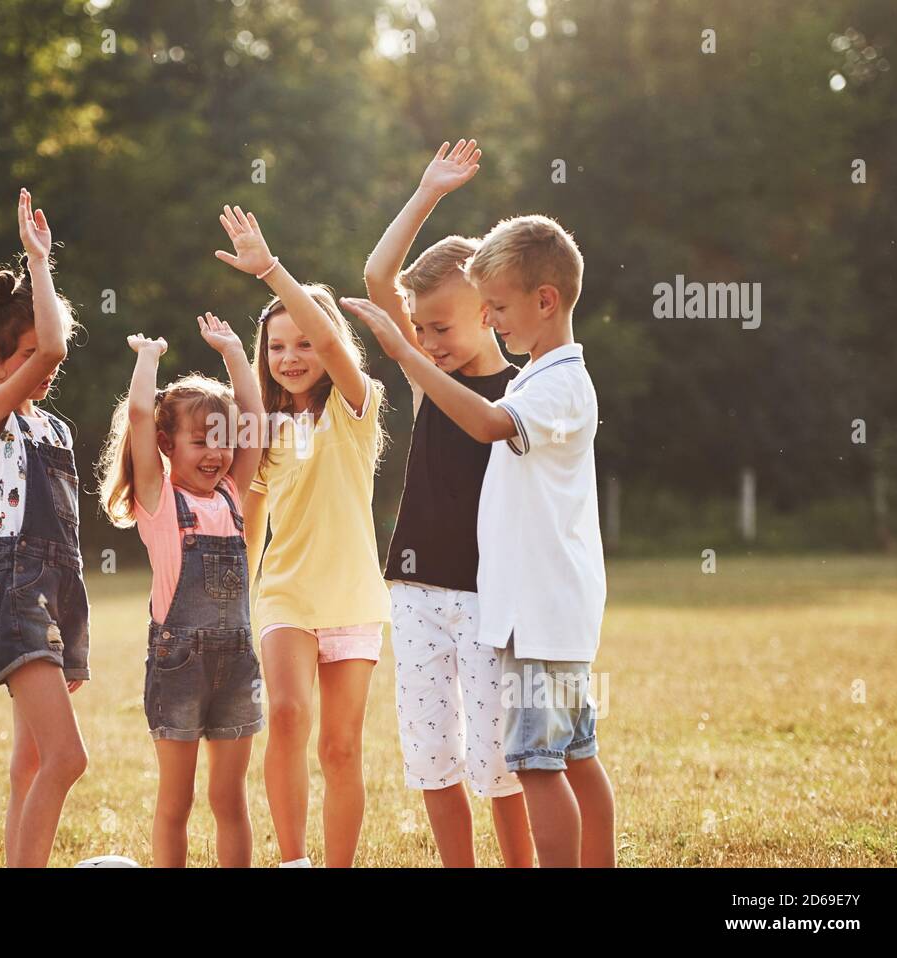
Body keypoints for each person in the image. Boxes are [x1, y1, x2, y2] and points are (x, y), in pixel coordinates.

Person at [342, 211, 616, 867]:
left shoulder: (551, 386)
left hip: (535, 614)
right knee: (573, 757)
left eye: (498, 307)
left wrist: (407, 353)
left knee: (537, 767)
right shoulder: (541, 377)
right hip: (534, 611)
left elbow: (492, 425)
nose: (493, 320)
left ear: (544, 301)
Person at [363, 139, 533, 867]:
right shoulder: (424, 374)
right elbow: (377, 275)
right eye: (418, 329)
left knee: (500, 763)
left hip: (490, 596)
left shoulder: (525, 389)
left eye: (441, 328)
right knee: (433, 757)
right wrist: (428, 191)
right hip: (415, 590)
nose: (427, 344)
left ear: (490, 315)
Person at [215, 205, 391, 867]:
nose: (290, 356)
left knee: (340, 749)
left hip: (352, 599)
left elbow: (337, 344)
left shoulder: (355, 406)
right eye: (277, 345)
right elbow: (251, 518)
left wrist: (270, 272)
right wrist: (237, 597)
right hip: (284, 597)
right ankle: (293, 862)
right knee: (287, 714)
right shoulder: (260, 429)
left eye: (304, 342)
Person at [97, 313, 265, 866]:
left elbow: (256, 421)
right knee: (178, 799)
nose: (215, 454)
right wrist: (148, 358)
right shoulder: (160, 501)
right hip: (179, 667)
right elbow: (141, 412)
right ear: (168, 445)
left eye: (221, 441)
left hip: (237, 664)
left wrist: (235, 354)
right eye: (200, 442)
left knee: (229, 797)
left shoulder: (233, 495)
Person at [0, 189, 87, 867]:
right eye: (28, 355)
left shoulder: (51, 426)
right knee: (69, 759)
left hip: (52, 594)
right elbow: (57, 347)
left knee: (32, 761)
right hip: (13, 595)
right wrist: (41, 262)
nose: (45, 364)